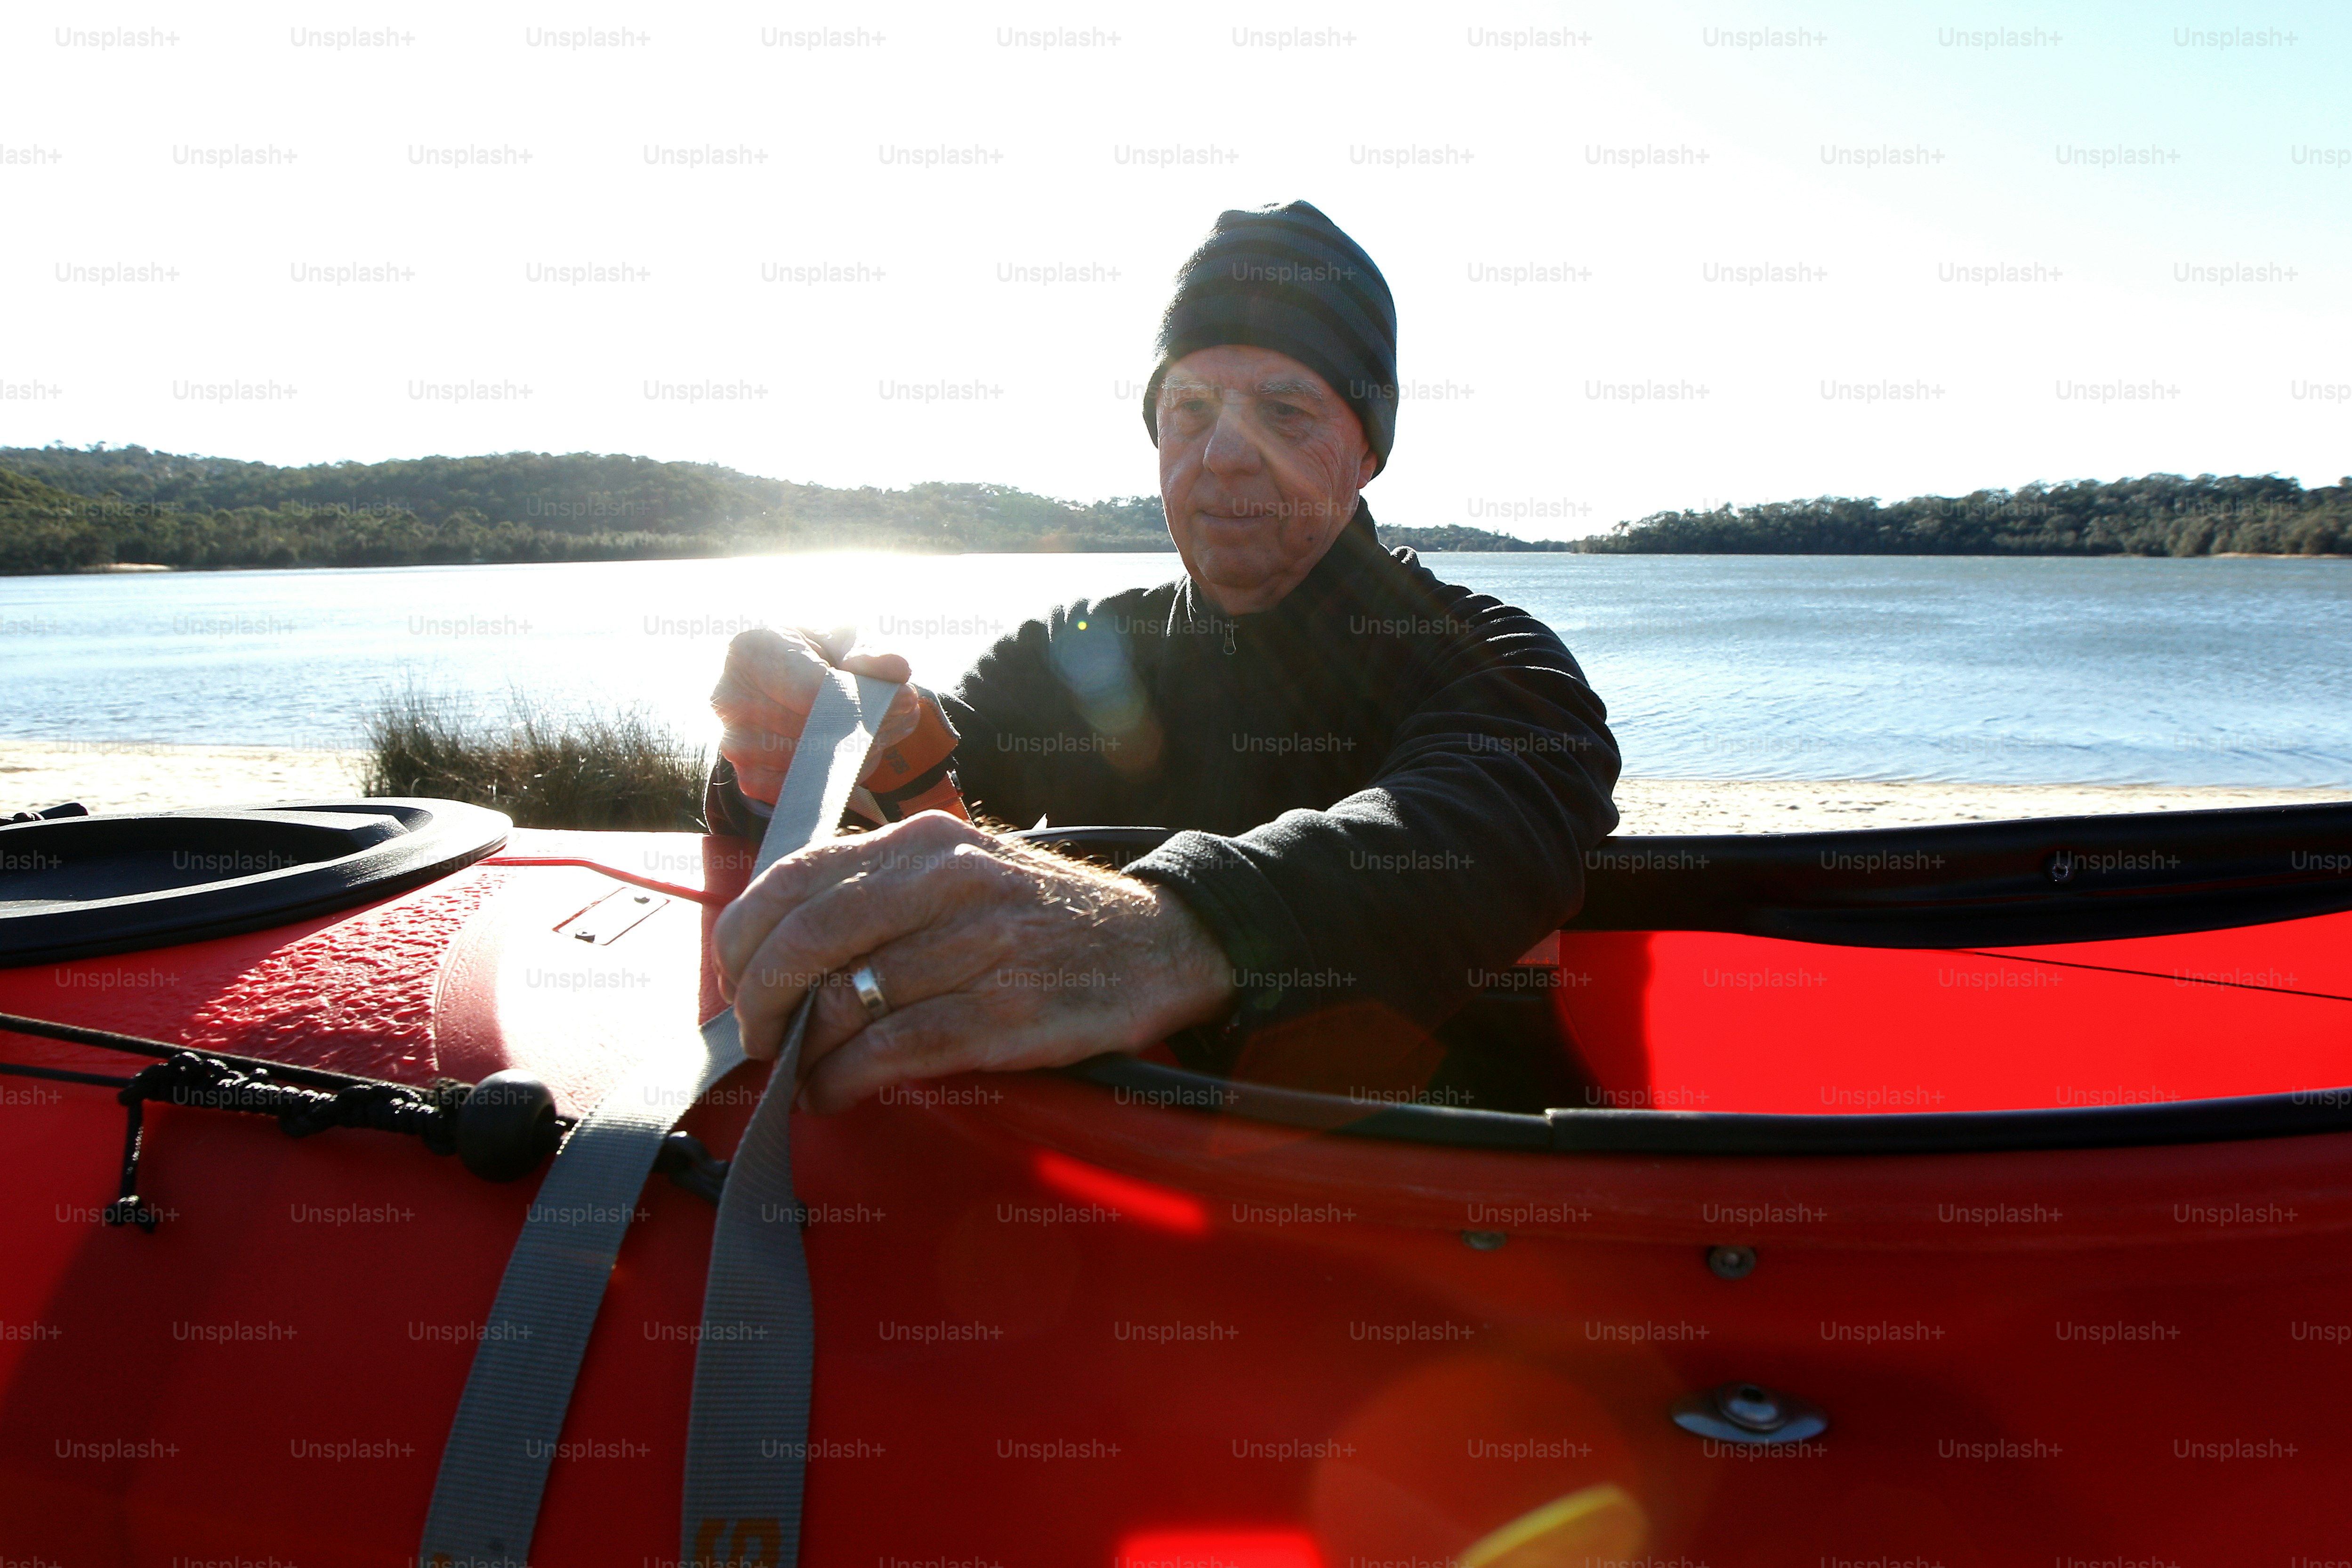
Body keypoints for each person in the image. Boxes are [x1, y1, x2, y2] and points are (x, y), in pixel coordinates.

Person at [708, 200, 1620, 1112]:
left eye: (1283, 409)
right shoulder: (1082, 652)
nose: (1224, 454)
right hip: (1126, 1204)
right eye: (1188, 409)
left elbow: (1482, 824)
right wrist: (804, 745)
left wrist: (1150, 938)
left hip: (1452, 1213)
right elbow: (942, 776)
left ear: (1368, 451)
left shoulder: (1492, 665)